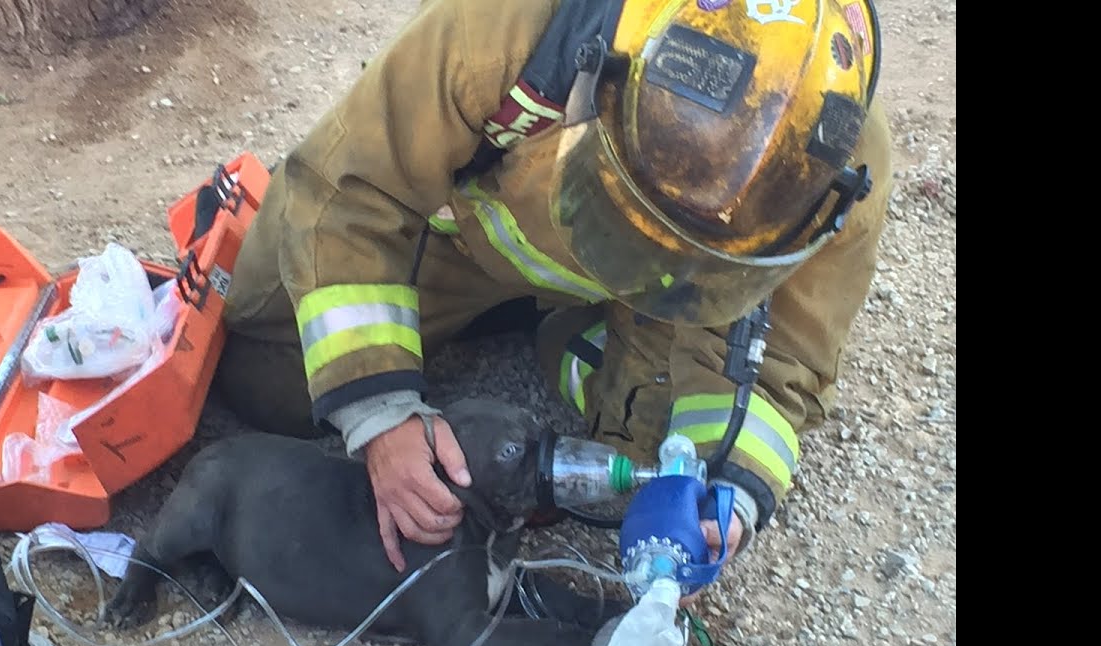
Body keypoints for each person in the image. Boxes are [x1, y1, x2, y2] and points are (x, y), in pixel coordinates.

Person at [213, 0, 892, 602]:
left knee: (665, 470)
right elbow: (355, 189)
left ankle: (564, 331)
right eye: (646, 222)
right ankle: (497, 314)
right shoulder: (509, 23)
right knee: (268, 378)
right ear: (604, 81)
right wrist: (380, 414)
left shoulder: (837, 164)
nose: (657, 258)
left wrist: (734, 492)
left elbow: (786, 358)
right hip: (456, 238)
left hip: (644, 306)